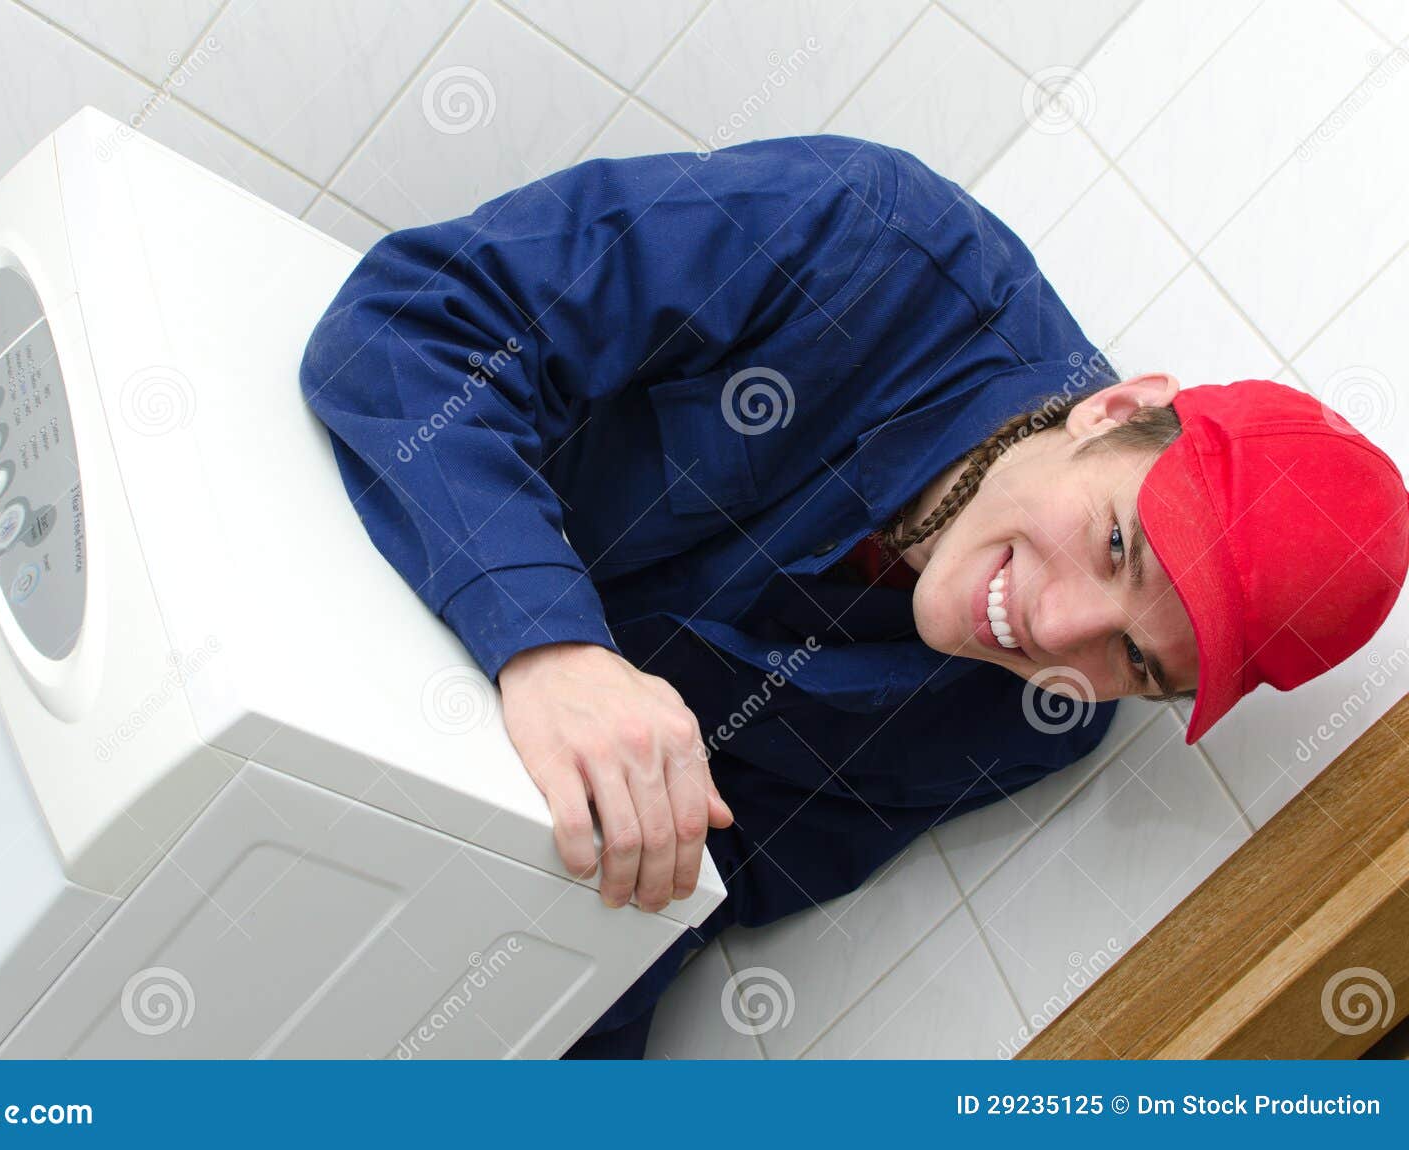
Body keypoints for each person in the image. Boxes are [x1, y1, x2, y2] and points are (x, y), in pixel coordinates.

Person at [300, 135, 1409, 1059]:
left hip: (408, 870)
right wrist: (551, 647)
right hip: (325, 590)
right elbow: (408, 328)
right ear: (1116, 410)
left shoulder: (1041, 724)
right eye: (1119, 546)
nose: (1057, 634)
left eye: (1137, 661)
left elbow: (689, 889)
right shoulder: (861, 234)